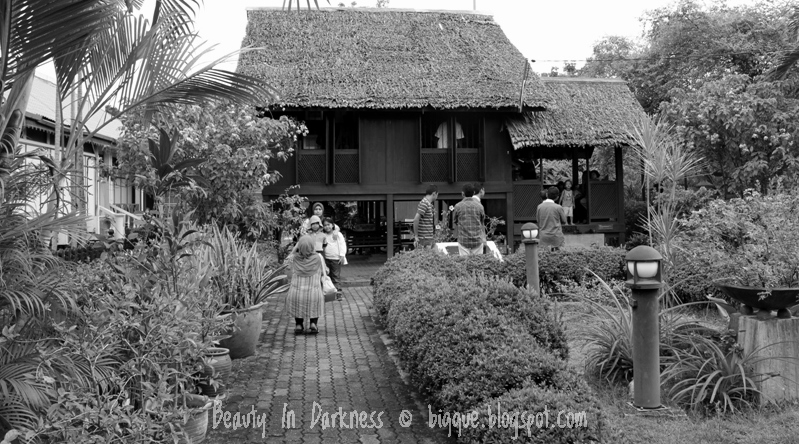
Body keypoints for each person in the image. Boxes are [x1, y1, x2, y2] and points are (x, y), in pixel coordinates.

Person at [287, 236, 327, 335]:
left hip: (296, 293)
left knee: (298, 306)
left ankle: (299, 325)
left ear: (299, 246)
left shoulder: (293, 258)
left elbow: (286, 269)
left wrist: (294, 250)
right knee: (314, 306)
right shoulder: (319, 257)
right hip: (314, 293)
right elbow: (324, 272)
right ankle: (313, 323)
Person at [452, 183, 486, 256]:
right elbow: (482, 222)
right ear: (473, 193)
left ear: (462, 193)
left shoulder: (458, 206)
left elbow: (455, 221)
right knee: (478, 261)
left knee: (464, 262)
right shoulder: (480, 206)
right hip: (477, 240)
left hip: (463, 240)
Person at [321, 217, 347, 300]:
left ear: (333, 225)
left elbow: (342, 244)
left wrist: (342, 255)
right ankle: (330, 293)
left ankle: (338, 293)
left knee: (336, 276)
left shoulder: (338, 234)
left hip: (336, 259)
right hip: (326, 259)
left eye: (328, 224)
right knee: (327, 276)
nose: (327, 227)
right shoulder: (323, 235)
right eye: (325, 225)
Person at [536, 186, 567, 250]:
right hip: (556, 236)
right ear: (557, 197)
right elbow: (564, 220)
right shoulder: (558, 207)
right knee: (558, 254)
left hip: (543, 236)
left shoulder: (539, 207)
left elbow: (537, 220)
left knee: (544, 254)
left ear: (547, 195)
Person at [412, 185, 438, 249]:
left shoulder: (427, 203)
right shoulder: (424, 203)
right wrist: (416, 236)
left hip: (427, 238)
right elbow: (416, 219)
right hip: (424, 239)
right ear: (434, 193)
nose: (437, 196)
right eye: (437, 194)